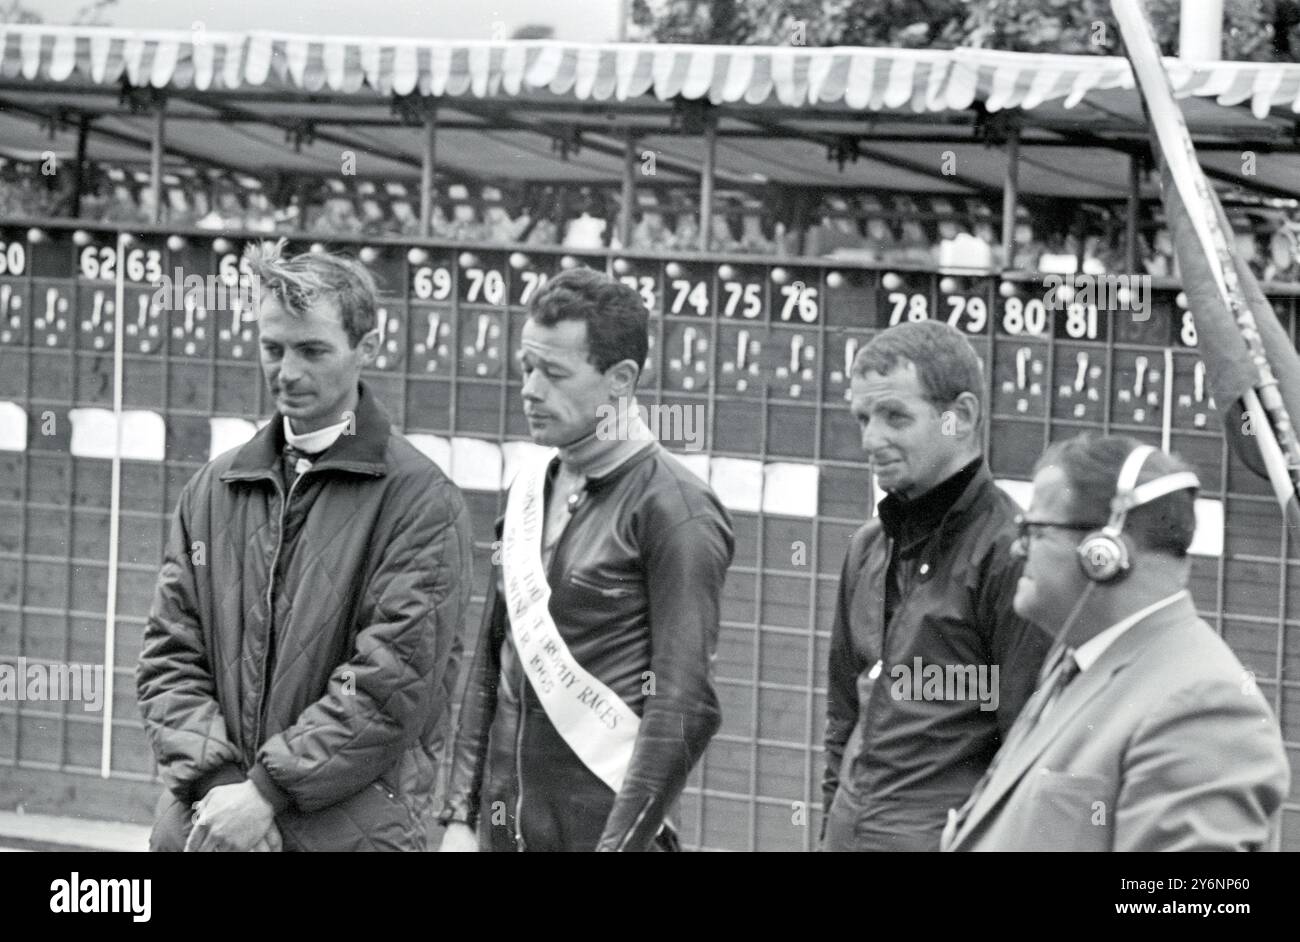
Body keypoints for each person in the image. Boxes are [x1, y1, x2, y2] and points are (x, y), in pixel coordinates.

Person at [136, 240, 473, 852]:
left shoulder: (422, 500)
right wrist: (223, 789)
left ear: (366, 348)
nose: (287, 372)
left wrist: (265, 794)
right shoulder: (212, 489)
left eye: (312, 350)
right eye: (273, 349)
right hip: (209, 829)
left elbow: (389, 681)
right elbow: (168, 657)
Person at [438, 267, 734, 852]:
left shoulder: (677, 509)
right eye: (527, 367)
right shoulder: (529, 490)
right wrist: (458, 818)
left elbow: (683, 704)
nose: (529, 388)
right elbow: (492, 665)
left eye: (554, 373)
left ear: (621, 379)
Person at [941, 435, 1289, 851]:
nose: (1017, 547)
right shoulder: (1077, 661)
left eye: (1034, 529)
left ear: (1103, 552)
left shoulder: (1202, 705)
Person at [822, 319, 1051, 851]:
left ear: (961, 417)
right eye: (863, 418)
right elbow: (842, 720)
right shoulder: (866, 549)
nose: (870, 440)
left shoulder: (1012, 556)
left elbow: (1032, 747)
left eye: (895, 417)